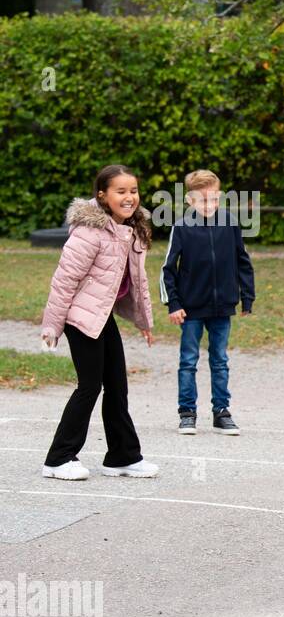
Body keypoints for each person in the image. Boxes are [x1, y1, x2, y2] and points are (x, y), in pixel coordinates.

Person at [40, 165, 159, 480]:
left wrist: (144, 320)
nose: (129, 197)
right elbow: (64, 280)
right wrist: (52, 326)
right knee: (90, 386)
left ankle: (122, 456)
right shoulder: (90, 231)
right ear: (102, 196)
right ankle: (58, 459)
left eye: (133, 191)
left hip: (101, 315)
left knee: (117, 386)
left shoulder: (131, 229)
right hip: (80, 317)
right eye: (121, 191)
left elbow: (138, 281)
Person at [159, 168, 256, 435]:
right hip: (190, 308)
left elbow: (242, 261)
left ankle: (221, 412)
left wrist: (247, 296)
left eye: (214, 199)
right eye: (202, 200)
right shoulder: (181, 227)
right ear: (190, 200)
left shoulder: (230, 223)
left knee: (220, 360)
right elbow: (168, 269)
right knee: (189, 360)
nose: (209, 205)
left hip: (222, 306)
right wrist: (174, 303)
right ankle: (187, 412)